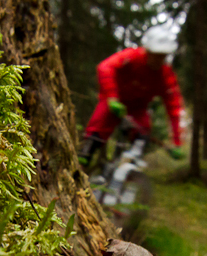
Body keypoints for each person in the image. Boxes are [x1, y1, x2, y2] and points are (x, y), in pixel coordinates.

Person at [77, 27, 186, 166]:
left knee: (143, 132)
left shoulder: (166, 75)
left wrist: (177, 142)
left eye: (163, 56)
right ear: (148, 50)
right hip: (114, 102)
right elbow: (105, 67)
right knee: (97, 129)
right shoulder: (132, 57)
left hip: (138, 110)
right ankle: (82, 162)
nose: (159, 59)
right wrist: (112, 98)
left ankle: (128, 171)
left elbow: (174, 107)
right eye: (156, 54)